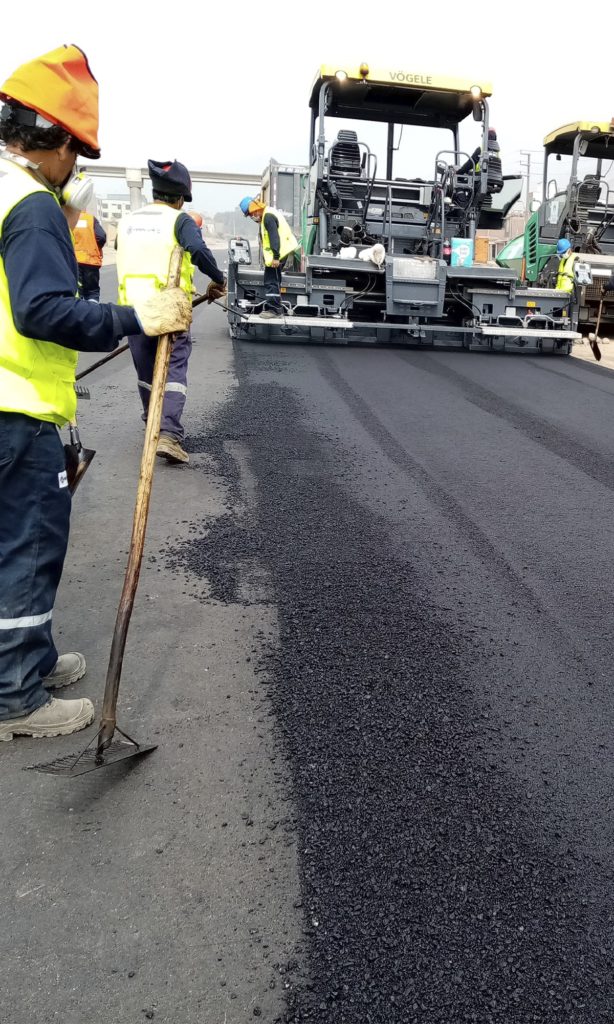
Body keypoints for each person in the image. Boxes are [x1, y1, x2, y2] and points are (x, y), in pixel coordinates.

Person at [0, 44, 192, 742]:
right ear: (50, 140)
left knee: (12, 543)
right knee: (28, 544)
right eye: (75, 152)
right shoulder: (31, 207)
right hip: (14, 410)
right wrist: (138, 317)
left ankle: (31, 659)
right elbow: (43, 310)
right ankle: (16, 697)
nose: (74, 168)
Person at [117, 160, 226, 464]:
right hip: (168, 309)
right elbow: (199, 251)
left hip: (133, 312)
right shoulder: (178, 221)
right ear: (180, 198)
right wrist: (218, 280)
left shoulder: (127, 222)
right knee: (174, 369)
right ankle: (167, 434)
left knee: (146, 373)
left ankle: (151, 419)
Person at [238, 197, 298, 318]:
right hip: (279, 254)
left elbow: (274, 237)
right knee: (273, 281)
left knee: (271, 282)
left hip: (278, 255)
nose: (252, 218)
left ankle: (274, 310)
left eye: (251, 215)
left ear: (255, 210)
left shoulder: (268, 217)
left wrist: (276, 256)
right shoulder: (268, 213)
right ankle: (275, 308)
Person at [73, 209, 106, 300]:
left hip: (75, 261)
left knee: (78, 292)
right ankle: (93, 312)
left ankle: (79, 312)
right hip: (91, 261)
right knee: (92, 291)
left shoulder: (70, 219)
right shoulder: (90, 219)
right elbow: (101, 236)